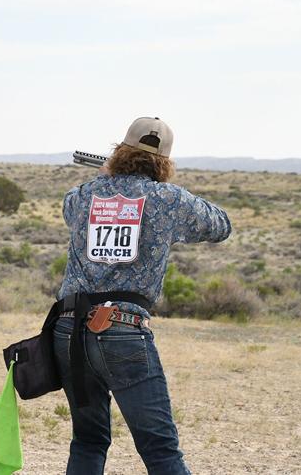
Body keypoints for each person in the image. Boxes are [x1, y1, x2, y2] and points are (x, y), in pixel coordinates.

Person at [53, 117, 231, 475]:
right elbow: (220, 225)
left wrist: (106, 177)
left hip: (69, 330)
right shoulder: (169, 199)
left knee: (88, 441)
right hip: (122, 330)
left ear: (121, 150)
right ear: (164, 161)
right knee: (161, 449)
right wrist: (173, 196)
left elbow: (70, 209)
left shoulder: (85, 193)